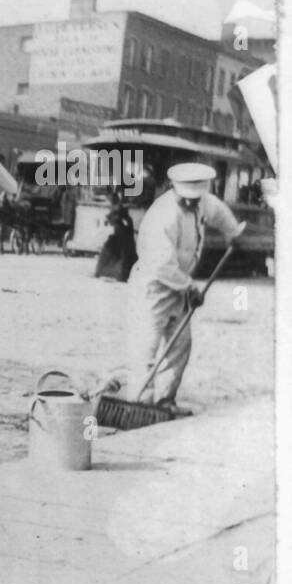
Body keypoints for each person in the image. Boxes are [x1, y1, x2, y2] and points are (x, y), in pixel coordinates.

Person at [125, 162, 245, 412]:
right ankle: (139, 403)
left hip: (180, 289)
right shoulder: (163, 214)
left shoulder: (202, 202)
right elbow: (161, 263)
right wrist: (190, 287)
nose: (192, 203)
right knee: (145, 345)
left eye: (196, 199)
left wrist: (232, 232)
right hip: (153, 287)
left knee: (179, 345)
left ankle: (165, 400)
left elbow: (218, 211)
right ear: (175, 188)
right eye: (187, 199)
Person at [93, 186, 137, 282]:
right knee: (117, 247)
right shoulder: (116, 197)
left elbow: (121, 209)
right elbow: (115, 209)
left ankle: (121, 273)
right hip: (119, 224)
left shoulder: (123, 197)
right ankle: (108, 271)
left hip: (123, 224)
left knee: (124, 248)